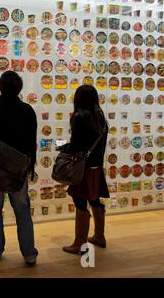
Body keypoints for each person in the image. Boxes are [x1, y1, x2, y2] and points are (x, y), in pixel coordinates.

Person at [0, 71, 38, 266]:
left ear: (0, 87)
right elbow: (31, 144)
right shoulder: (28, 110)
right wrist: (31, 167)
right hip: (19, 169)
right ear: (19, 88)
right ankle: (29, 254)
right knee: (22, 210)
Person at [62, 85, 109, 254]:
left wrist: (62, 147)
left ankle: (80, 244)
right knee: (95, 199)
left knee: (80, 201)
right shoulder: (100, 116)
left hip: (82, 168)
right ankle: (99, 235)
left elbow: (76, 146)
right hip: (96, 166)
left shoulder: (79, 117)